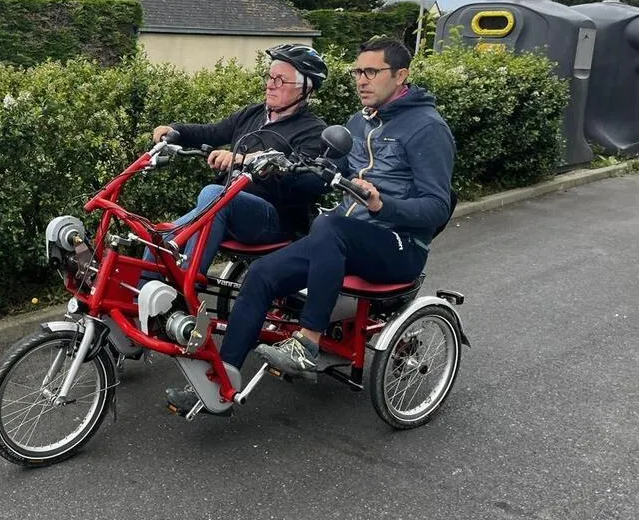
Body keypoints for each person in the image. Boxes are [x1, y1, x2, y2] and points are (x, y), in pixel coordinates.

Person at [166, 37, 456, 414]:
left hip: (398, 246)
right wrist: (288, 165)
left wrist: (384, 205)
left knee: (330, 226)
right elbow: (331, 172)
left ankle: (307, 342)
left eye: (372, 72)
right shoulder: (357, 123)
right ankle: (222, 381)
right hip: (348, 238)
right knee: (262, 274)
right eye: (357, 71)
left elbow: (437, 206)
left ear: (401, 76)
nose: (362, 80)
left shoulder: (427, 128)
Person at [147, 44, 330, 279]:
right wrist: (175, 130)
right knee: (157, 241)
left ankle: (187, 284)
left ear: (306, 89)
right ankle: (141, 308)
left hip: (274, 219)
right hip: (224, 208)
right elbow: (212, 133)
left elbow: (302, 170)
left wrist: (244, 159)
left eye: (281, 80)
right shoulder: (252, 114)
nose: (270, 84)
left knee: (213, 193)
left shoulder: (313, 130)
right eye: (270, 77)